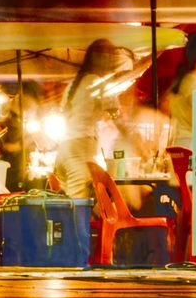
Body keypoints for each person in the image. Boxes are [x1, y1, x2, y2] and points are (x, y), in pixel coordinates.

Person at [54, 39, 135, 200]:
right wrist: (133, 139)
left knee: (71, 208)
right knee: (80, 207)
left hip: (63, 151)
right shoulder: (98, 83)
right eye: (110, 56)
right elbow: (117, 117)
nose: (111, 61)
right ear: (101, 59)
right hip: (78, 150)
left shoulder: (73, 85)